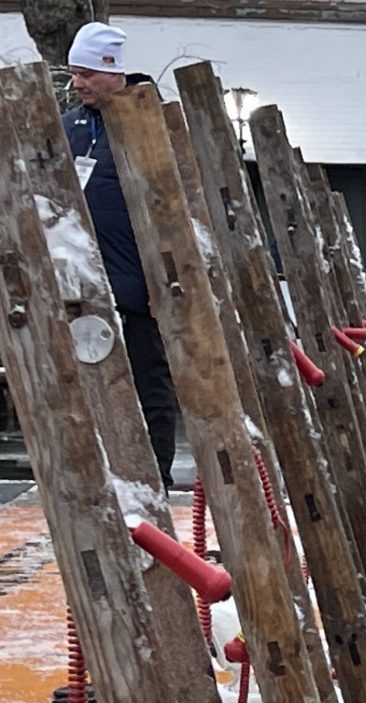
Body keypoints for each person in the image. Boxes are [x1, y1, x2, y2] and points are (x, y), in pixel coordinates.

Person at [62, 23, 177, 485]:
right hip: (82, 287)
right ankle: (93, 475)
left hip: (138, 289)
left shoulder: (149, 123)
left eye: (87, 73)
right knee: (84, 384)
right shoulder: (71, 127)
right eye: (73, 73)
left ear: (113, 72)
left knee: (149, 381)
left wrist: (162, 283)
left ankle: (155, 476)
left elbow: (172, 206)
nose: (78, 83)